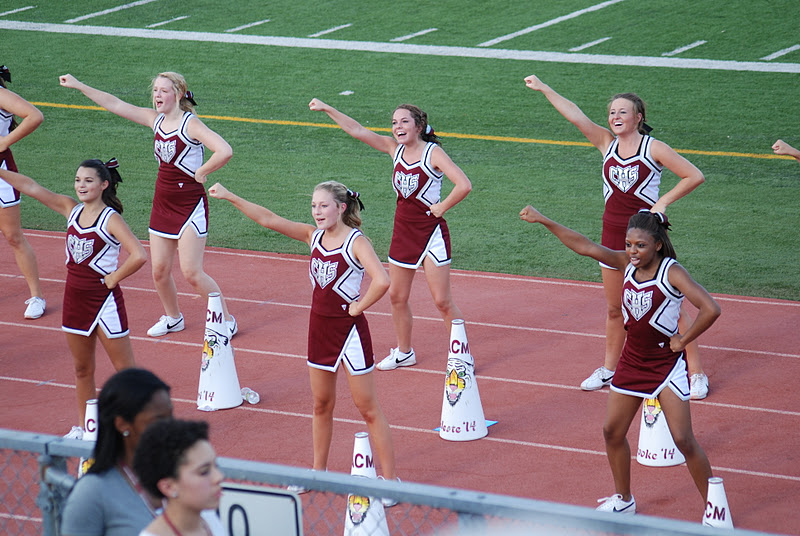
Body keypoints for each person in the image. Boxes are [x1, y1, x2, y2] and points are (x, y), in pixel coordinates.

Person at [520, 205, 721, 515]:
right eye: (628, 244)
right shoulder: (625, 264)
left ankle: (715, 509)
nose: (632, 251)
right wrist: (544, 220)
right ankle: (624, 499)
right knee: (612, 432)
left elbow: (711, 308)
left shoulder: (672, 272)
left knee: (683, 440)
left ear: (657, 244)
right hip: (631, 362)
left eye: (640, 245)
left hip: (665, 367)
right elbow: (585, 246)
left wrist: (683, 340)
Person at [524, 75, 710, 399]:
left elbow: (694, 175)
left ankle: (695, 373)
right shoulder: (605, 143)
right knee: (615, 308)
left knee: (670, 305)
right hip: (612, 234)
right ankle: (610, 368)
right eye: (612, 112)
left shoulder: (653, 148)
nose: (616, 117)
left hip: (646, 238)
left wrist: (663, 202)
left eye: (623, 112)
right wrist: (544, 88)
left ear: (639, 117)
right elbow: (576, 115)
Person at [208, 181, 398, 492]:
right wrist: (230, 196)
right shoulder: (313, 237)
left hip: (350, 334)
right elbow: (268, 219)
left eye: (323, 206)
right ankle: (318, 474)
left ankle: (391, 484)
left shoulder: (356, 242)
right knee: (321, 405)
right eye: (313, 206)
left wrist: (357, 307)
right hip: (319, 330)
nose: (317, 212)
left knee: (367, 408)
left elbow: (382, 280)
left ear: (341, 208)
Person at [58, 72, 237, 338]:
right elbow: (115, 104)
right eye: (155, 90)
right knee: (159, 271)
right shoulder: (155, 120)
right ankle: (173, 317)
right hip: (162, 203)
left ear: (177, 94)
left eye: (163, 91)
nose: (157, 96)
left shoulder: (190, 124)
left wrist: (202, 171)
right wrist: (79, 85)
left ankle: (226, 320)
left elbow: (224, 150)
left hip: (189, 205)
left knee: (191, 272)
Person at [308, 99, 472, 371]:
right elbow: (357, 130)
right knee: (397, 296)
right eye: (394, 122)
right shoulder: (394, 149)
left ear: (418, 126)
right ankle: (404, 352)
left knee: (442, 301)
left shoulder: (433, 154)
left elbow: (464, 184)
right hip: (403, 233)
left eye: (404, 121)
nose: (398, 127)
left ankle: (462, 357)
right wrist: (327, 109)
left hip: (431, 234)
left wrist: (442, 207)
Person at [0, 160, 147, 434]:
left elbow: (139, 254)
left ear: (104, 185)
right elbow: (31, 187)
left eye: (88, 180)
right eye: (78, 180)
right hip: (74, 300)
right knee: (82, 369)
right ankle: (84, 427)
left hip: (104, 303)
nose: (81, 185)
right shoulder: (71, 209)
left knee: (126, 372)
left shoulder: (111, 219)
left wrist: (113, 278)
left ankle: (142, 427)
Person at [61, 368, 174, 536]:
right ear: (122, 424)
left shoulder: (181, 473)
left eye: (170, 416)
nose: (170, 427)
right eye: (158, 420)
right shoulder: (91, 493)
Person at [0, 65, 46, 319]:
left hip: (2, 173)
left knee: (13, 236)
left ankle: (36, 296)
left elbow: (34, 115)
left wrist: (4, 142)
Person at [133, 419, 226, 536]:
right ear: (169, 487)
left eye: (216, 466)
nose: (219, 477)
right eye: (204, 472)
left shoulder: (209, 518)